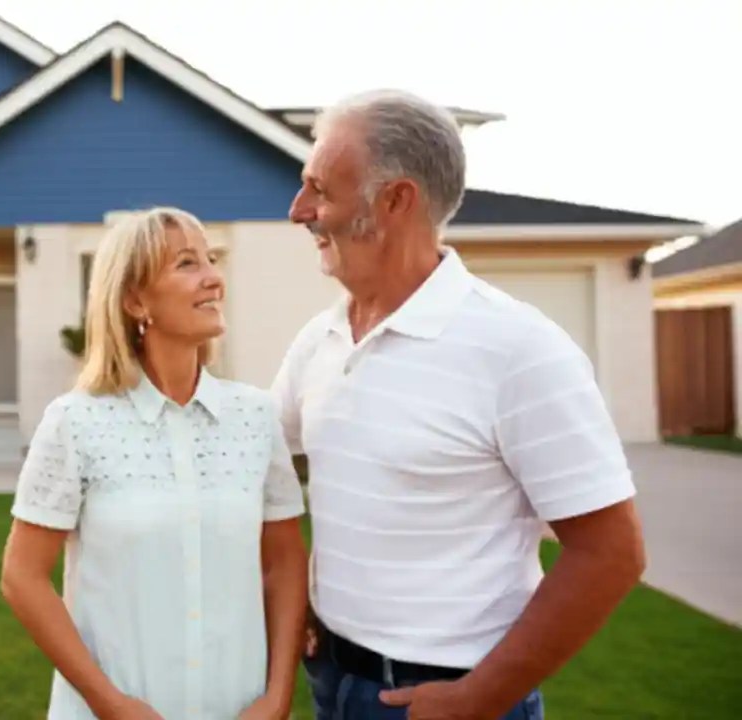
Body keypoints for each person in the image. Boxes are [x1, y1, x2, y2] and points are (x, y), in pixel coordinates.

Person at [273, 89, 647, 720]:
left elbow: (611, 552)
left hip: (446, 698)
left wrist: (482, 698)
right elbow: (264, 470)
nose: (298, 210)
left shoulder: (519, 349)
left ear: (395, 201)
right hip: (331, 678)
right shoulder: (320, 338)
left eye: (319, 189)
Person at [0, 207, 309, 719]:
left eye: (211, 259)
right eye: (187, 263)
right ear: (134, 299)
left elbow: (284, 564)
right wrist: (110, 703)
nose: (214, 277)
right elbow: (22, 576)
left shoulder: (255, 417)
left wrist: (277, 698)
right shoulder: (75, 422)